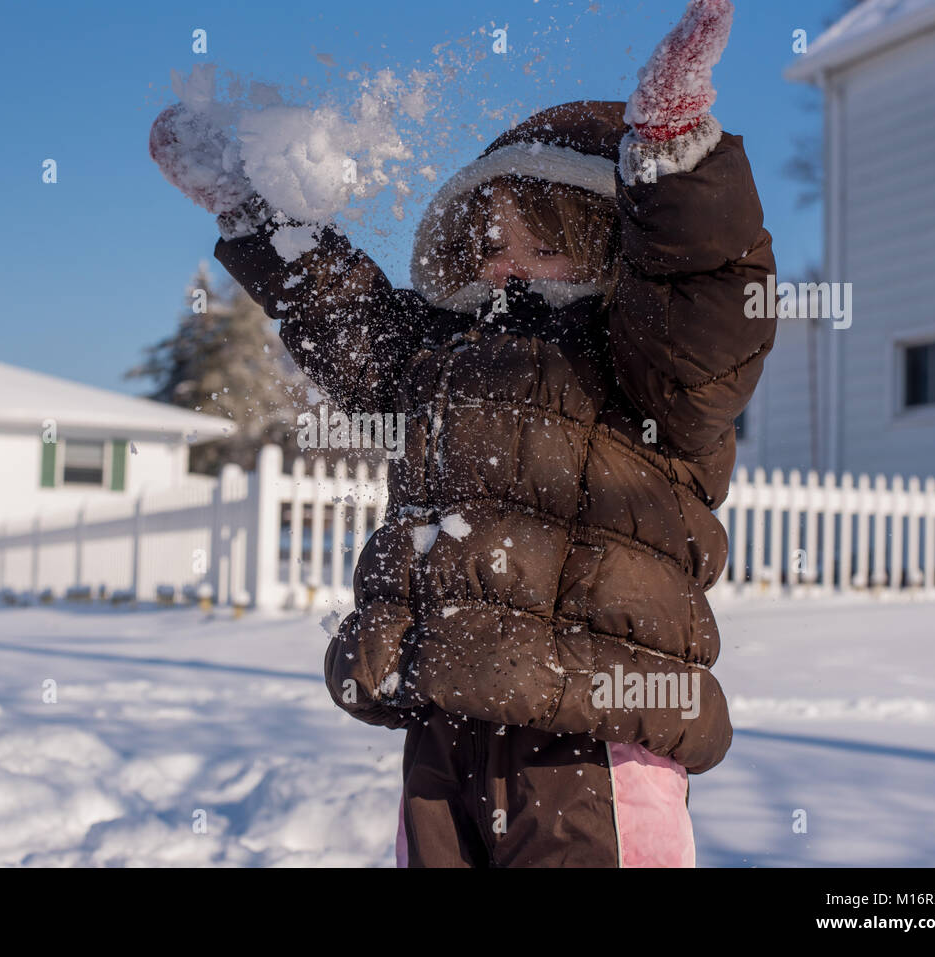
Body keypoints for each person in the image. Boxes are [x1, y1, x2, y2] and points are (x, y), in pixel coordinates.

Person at [151, 0, 774, 866]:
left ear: (600, 237)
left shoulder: (648, 363)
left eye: (534, 242)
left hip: (591, 730)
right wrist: (254, 214)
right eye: (485, 243)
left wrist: (673, 156)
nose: (501, 266)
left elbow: (709, 295)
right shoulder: (445, 354)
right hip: (445, 717)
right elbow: (349, 321)